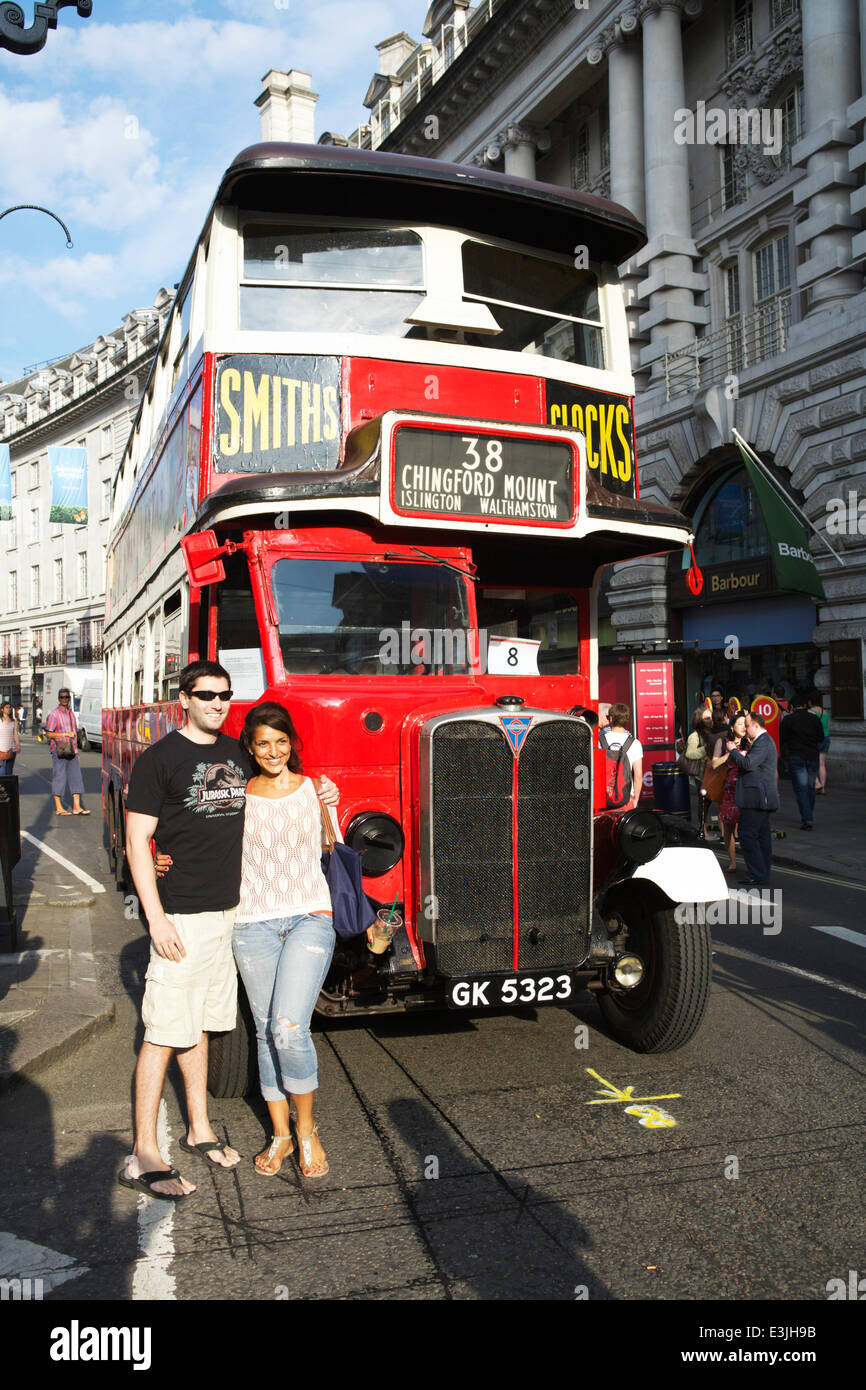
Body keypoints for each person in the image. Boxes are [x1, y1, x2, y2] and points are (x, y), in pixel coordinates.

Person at [120, 661, 337, 1200]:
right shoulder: (158, 760)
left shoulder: (238, 754)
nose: (218, 703)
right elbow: (136, 841)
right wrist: (156, 916)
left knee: (205, 1026)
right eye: (207, 694)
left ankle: (198, 1127)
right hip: (184, 916)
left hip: (233, 914)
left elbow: (282, 773)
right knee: (164, 1030)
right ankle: (144, 1151)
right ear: (184, 698)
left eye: (224, 695)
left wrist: (327, 793)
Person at [231, 703, 336, 1178]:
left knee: (290, 1026)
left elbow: (333, 849)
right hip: (251, 923)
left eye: (281, 741)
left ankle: (307, 1129)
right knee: (265, 1030)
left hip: (308, 917)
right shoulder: (238, 795)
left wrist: (331, 804)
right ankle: (280, 1136)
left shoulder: (315, 788)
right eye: (262, 744)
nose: (273, 751)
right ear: (250, 750)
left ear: (291, 743)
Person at [726, 711, 779, 885]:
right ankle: (761, 873)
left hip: (756, 798)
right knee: (761, 836)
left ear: (756, 725)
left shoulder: (763, 742)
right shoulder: (762, 742)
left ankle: (757, 873)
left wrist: (733, 752)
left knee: (747, 834)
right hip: (758, 797)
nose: (746, 729)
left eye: (747, 726)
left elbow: (748, 765)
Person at [710, 711, 748, 873]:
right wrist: (729, 754)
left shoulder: (751, 742)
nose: (744, 727)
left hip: (745, 791)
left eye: (745, 724)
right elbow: (714, 764)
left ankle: (749, 861)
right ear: (732, 727)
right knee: (728, 828)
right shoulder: (723, 742)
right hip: (727, 792)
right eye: (740, 724)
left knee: (746, 829)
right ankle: (732, 861)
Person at [780, 692, 823, 830]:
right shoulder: (814, 719)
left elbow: (782, 739)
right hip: (812, 756)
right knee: (810, 787)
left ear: (792, 706)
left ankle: (807, 818)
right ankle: (808, 814)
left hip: (796, 756)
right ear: (805, 705)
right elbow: (821, 737)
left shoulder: (788, 720)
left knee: (801, 789)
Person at [43, 689, 90, 815]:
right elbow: (48, 733)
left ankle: (77, 807)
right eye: (62, 697)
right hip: (59, 750)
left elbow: (74, 734)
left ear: (69, 698)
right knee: (59, 778)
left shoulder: (71, 714)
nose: (64, 699)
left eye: (66, 697)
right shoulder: (54, 714)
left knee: (76, 778)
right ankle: (59, 807)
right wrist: (64, 734)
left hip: (72, 750)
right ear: (59, 699)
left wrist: (76, 751)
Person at [599, 702, 643, 809]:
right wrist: (636, 799)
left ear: (610, 719)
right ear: (626, 720)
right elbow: (638, 775)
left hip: (602, 799)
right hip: (626, 799)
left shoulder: (599, 741)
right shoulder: (635, 743)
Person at [808, 690, 830, 794]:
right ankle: (823, 787)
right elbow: (828, 727)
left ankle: (817, 784)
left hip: (815, 739)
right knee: (822, 764)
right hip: (826, 738)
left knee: (810, 762)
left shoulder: (810, 712)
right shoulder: (825, 712)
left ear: (810, 701)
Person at [0, 703, 20, 777]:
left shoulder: (14, 721)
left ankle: (8, 788)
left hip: (11, 749)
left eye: (10, 707)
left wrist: (18, 745)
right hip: (1, 750)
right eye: (7, 707)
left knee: (9, 772)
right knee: (1, 772)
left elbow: (15, 734)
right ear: (2, 709)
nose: (9, 709)